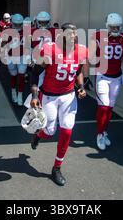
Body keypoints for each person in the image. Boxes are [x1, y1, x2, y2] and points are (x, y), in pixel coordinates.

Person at [29, 23, 88, 186]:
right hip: (49, 96)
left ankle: (56, 167)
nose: (73, 36)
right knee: (49, 131)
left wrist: (81, 87)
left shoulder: (81, 50)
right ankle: (38, 135)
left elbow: (78, 72)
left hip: (68, 96)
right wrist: (35, 96)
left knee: (67, 130)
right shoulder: (50, 50)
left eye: (75, 33)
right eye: (69, 33)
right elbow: (34, 74)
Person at [89, 13, 123, 151]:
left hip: (116, 77)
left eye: (117, 27)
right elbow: (88, 56)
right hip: (102, 75)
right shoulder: (98, 36)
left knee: (109, 108)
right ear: (107, 26)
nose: (115, 29)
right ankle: (99, 134)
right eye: (112, 27)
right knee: (103, 107)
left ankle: (104, 131)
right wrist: (85, 77)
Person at [1, 14, 27, 106]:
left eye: (20, 24)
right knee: (13, 75)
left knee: (21, 75)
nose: (18, 26)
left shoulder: (26, 31)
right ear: (12, 23)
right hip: (11, 56)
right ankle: (13, 92)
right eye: (16, 24)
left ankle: (20, 95)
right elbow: (3, 45)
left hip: (22, 56)